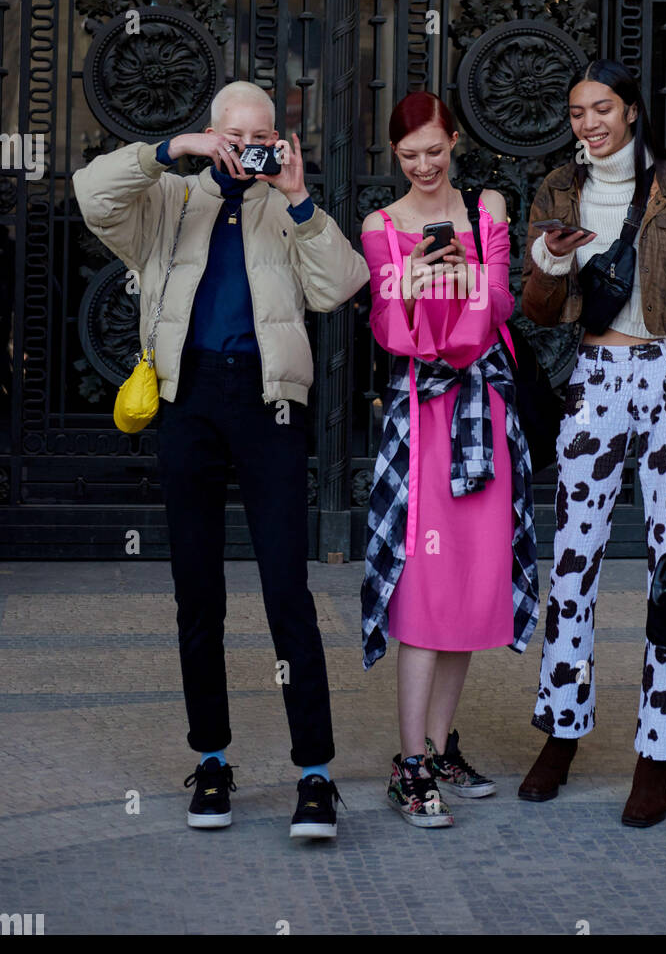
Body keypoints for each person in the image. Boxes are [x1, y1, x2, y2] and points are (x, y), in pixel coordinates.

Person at [73, 82, 369, 839]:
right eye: (234, 135)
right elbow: (91, 194)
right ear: (213, 134)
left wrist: (299, 200)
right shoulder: (169, 199)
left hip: (270, 403)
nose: (249, 148)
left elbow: (341, 285)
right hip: (188, 398)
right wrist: (173, 150)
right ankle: (211, 760)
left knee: (287, 589)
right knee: (197, 592)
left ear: (279, 140)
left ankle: (314, 773)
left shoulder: (286, 207)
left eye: (262, 136)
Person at [518, 59, 666, 827]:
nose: (589, 123)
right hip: (595, 375)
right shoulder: (557, 189)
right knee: (573, 559)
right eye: (577, 112)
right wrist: (549, 260)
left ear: (631, 110)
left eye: (601, 108)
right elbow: (539, 310)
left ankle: (657, 749)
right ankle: (561, 730)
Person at [360, 91, 538, 827]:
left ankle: (436, 749)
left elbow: (501, 306)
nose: (424, 165)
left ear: (455, 141)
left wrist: (463, 278)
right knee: (424, 589)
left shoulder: (487, 208)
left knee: (470, 582)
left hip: (484, 411)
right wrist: (412, 289)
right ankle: (408, 765)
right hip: (423, 417)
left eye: (434, 151)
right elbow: (386, 328)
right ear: (394, 155)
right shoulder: (380, 226)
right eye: (409, 155)